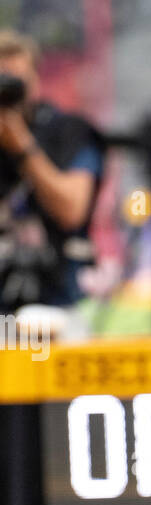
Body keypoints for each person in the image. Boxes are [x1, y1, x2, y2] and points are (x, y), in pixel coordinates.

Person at [0, 30, 105, 326]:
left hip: (60, 299)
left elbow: (71, 210)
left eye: (14, 82)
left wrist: (19, 143)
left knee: (37, 324)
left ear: (35, 81)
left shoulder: (69, 131)